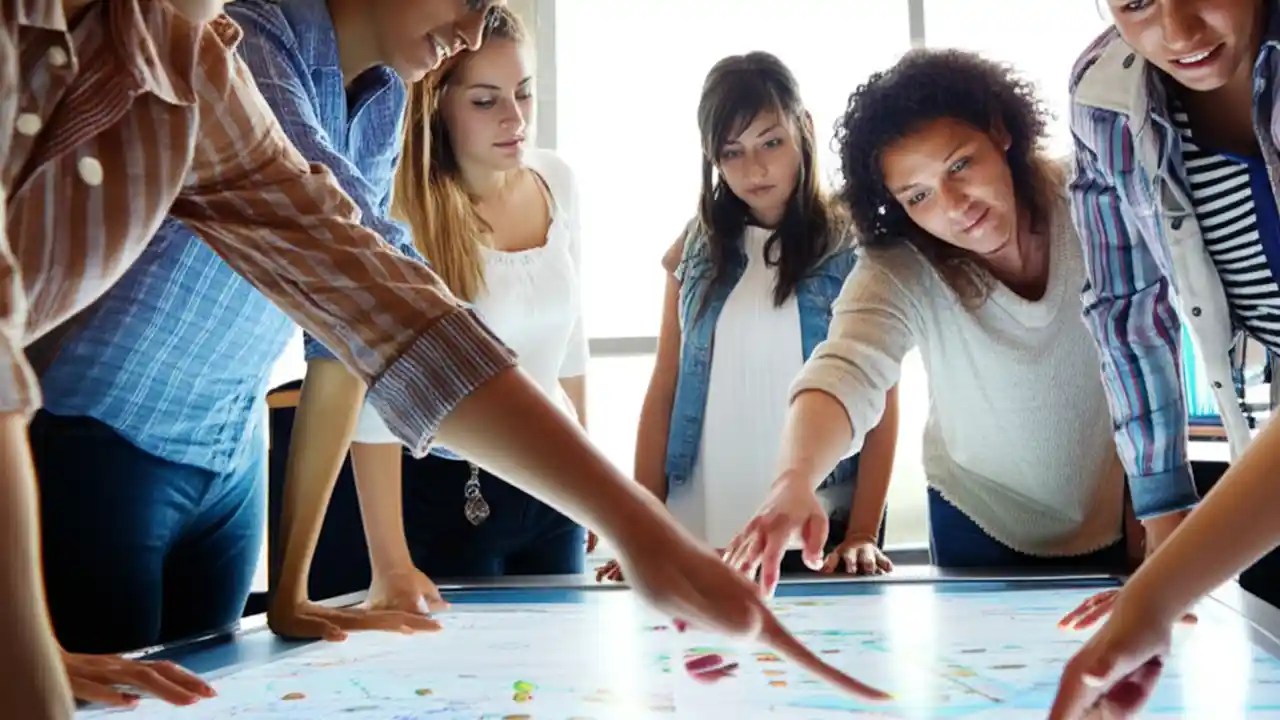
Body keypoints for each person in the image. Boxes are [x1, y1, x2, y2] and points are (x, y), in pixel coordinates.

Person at [0, 1, 887, 717]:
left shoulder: (202, 57)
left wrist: (638, 528)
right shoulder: (245, 48)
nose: (472, 24)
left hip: (224, 458)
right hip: (95, 440)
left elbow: (375, 306)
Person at [722, 48, 1137, 596]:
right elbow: (844, 369)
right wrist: (794, 479)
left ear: (999, 132)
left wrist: (1152, 514)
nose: (954, 204)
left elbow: (1155, 354)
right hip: (976, 515)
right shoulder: (903, 263)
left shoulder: (1093, 202)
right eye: (918, 195)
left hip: (1110, 506)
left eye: (960, 165)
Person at [273, 6, 589, 623]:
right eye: (485, 100)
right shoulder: (401, 207)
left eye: (524, 93)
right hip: (448, 488)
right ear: (440, 104)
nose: (515, 117)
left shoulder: (558, 179)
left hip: (552, 487)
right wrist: (389, 560)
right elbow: (373, 399)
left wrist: (589, 477)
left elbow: (570, 346)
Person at [1050, 1, 1280, 717]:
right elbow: (1124, 316)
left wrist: (1161, 590)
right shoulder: (1103, 98)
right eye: (1137, 1)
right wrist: (1165, 535)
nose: (1178, 34)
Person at [598, 51, 898, 585]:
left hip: (818, 529)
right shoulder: (695, 248)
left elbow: (882, 401)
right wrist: (639, 529)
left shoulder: (854, 247)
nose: (754, 169)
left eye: (771, 143)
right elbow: (663, 388)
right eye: (732, 152)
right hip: (700, 526)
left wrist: (862, 534)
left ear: (804, 129)